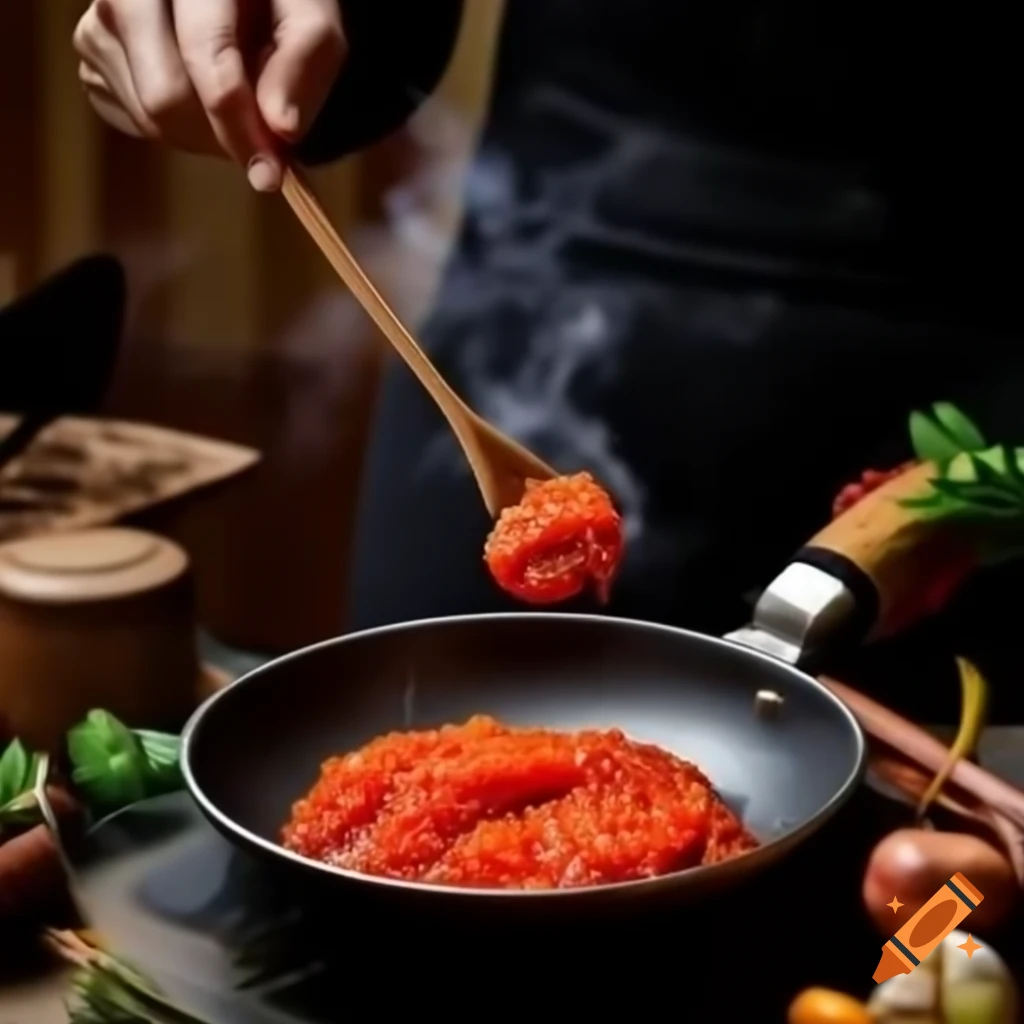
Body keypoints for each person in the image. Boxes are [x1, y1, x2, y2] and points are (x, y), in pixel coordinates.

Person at [75, 0, 1024, 723]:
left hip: (970, 375)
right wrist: (268, 33)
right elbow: (380, 44)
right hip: (536, 284)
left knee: (928, 937)